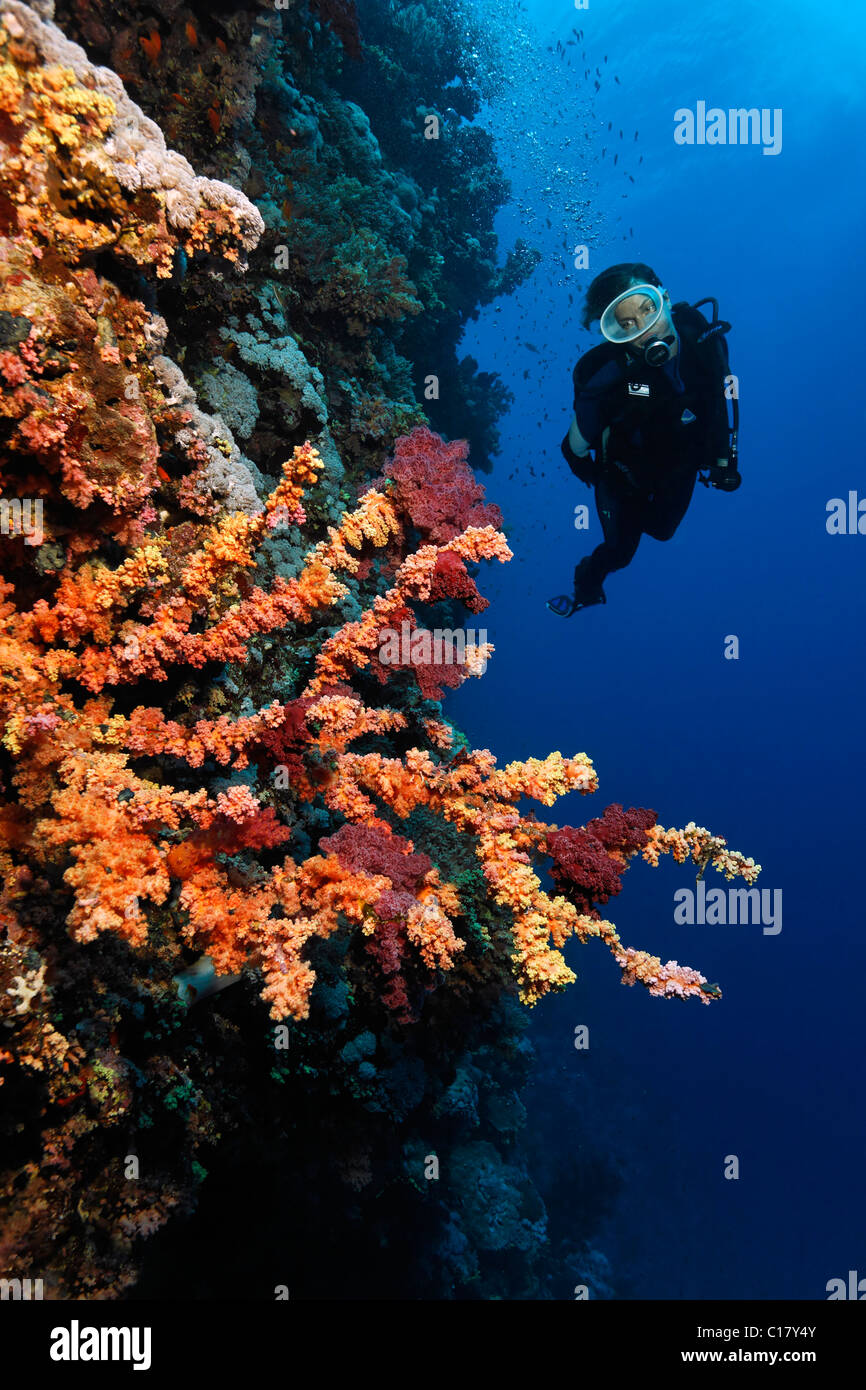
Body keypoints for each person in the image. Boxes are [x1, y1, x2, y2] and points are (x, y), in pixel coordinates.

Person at [547, 263, 740, 616]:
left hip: (681, 464)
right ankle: (586, 583)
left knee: (664, 531)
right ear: (613, 334)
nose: (646, 329)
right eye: (627, 324)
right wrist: (601, 478)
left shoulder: (705, 340)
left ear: (665, 298)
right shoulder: (606, 375)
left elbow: (718, 399)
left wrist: (723, 458)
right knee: (620, 552)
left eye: (648, 308)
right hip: (625, 477)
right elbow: (573, 448)